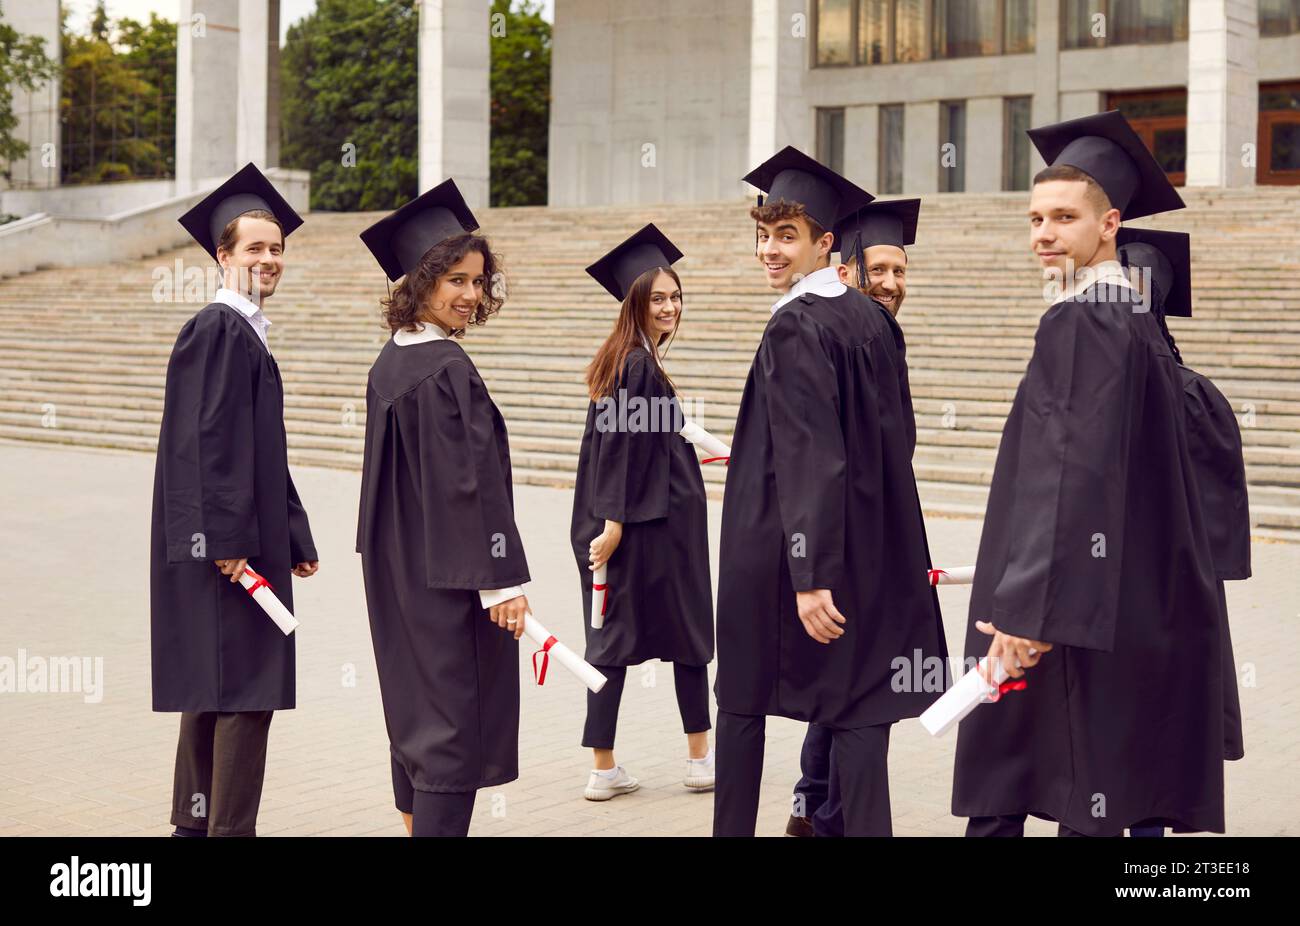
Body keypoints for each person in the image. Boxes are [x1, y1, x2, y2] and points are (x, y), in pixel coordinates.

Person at [951, 111, 1228, 837]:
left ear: (1109, 224)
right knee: (1109, 775)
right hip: (1122, 595)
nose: (1042, 233)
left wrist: (1026, 610)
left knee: (1047, 768)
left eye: (1063, 218)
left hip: (1071, 602)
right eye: (1036, 217)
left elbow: (1069, 473)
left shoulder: (1085, 319)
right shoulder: (1133, 317)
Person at [713, 147, 948, 837]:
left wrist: (810, 573)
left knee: (742, 708)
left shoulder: (795, 325)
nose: (770, 250)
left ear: (825, 243)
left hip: (784, 558)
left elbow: (812, 457)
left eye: (788, 236)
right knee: (856, 711)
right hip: (868, 548)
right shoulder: (872, 319)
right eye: (764, 235)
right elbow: (896, 441)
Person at [356, 179, 531, 837]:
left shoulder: (389, 366)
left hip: (400, 577)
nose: (470, 295)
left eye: (478, 281)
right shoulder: (446, 369)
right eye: (455, 279)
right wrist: (501, 580)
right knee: (454, 739)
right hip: (453, 586)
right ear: (418, 281)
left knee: (416, 725)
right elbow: (469, 485)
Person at [153, 162, 319, 837]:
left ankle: (194, 827)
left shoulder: (242, 332)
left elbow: (259, 452)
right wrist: (222, 542)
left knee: (213, 691)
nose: (270, 259)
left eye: (277, 248)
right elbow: (205, 444)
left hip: (239, 542)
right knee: (244, 695)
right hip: (228, 550)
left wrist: (295, 534)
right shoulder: (219, 330)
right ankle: (226, 831)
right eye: (255, 247)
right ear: (222, 256)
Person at [786, 197, 932, 838]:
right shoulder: (829, 330)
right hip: (844, 545)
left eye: (900, 271)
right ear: (844, 270)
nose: (892, 283)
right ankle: (822, 810)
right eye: (879, 269)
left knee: (844, 687)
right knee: (856, 692)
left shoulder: (877, 335)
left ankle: (810, 805)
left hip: (867, 540)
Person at [571, 224, 715, 801]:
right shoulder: (635, 364)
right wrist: (613, 526)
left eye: (676, 296)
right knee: (686, 638)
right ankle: (699, 760)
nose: (670, 306)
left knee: (612, 641)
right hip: (653, 527)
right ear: (635, 303)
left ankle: (604, 768)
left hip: (642, 518)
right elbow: (625, 447)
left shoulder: (623, 358)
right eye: (658, 298)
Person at [1117, 227, 1250, 837]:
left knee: (1141, 736)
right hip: (1146, 598)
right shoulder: (1108, 385)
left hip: (1156, 597)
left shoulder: (1188, 395)